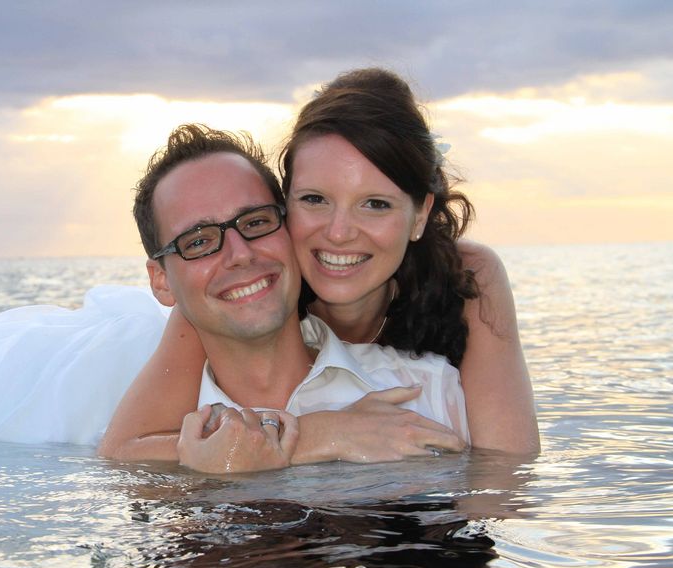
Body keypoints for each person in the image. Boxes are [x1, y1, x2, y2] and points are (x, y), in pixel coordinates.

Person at [101, 68, 539, 462]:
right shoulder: (246, 278)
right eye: (314, 200)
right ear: (286, 202)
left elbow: (505, 468)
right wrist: (316, 434)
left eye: (375, 204)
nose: (339, 232)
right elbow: (125, 449)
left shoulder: (465, 281)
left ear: (420, 214)